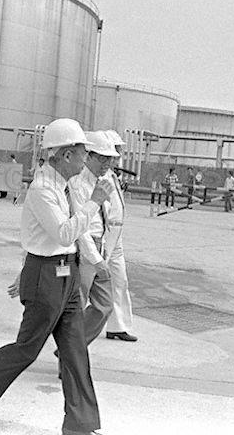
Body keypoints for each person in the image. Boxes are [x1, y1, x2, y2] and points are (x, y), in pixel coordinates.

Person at [0, 118, 114, 434]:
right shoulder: (42, 190)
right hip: (46, 276)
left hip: (67, 272)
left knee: (75, 351)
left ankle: (80, 425)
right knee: (26, 349)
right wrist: (95, 202)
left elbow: (76, 233)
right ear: (66, 154)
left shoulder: (65, 186)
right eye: (83, 153)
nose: (85, 159)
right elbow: (64, 233)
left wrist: (95, 260)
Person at [67, 131, 119, 353]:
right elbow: (81, 229)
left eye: (110, 159)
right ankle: (71, 354)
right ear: (88, 156)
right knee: (77, 306)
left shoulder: (103, 182)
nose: (107, 163)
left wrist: (104, 252)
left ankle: (71, 348)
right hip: (85, 251)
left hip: (100, 247)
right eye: (103, 158)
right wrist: (96, 260)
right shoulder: (77, 184)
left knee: (104, 305)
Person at [103, 130, 137, 343]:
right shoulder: (100, 175)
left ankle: (118, 326)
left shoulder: (112, 175)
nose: (119, 155)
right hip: (105, 233)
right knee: (92, 282)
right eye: (117, 150)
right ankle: (74, 330)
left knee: (119, 280)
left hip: (117, 235)